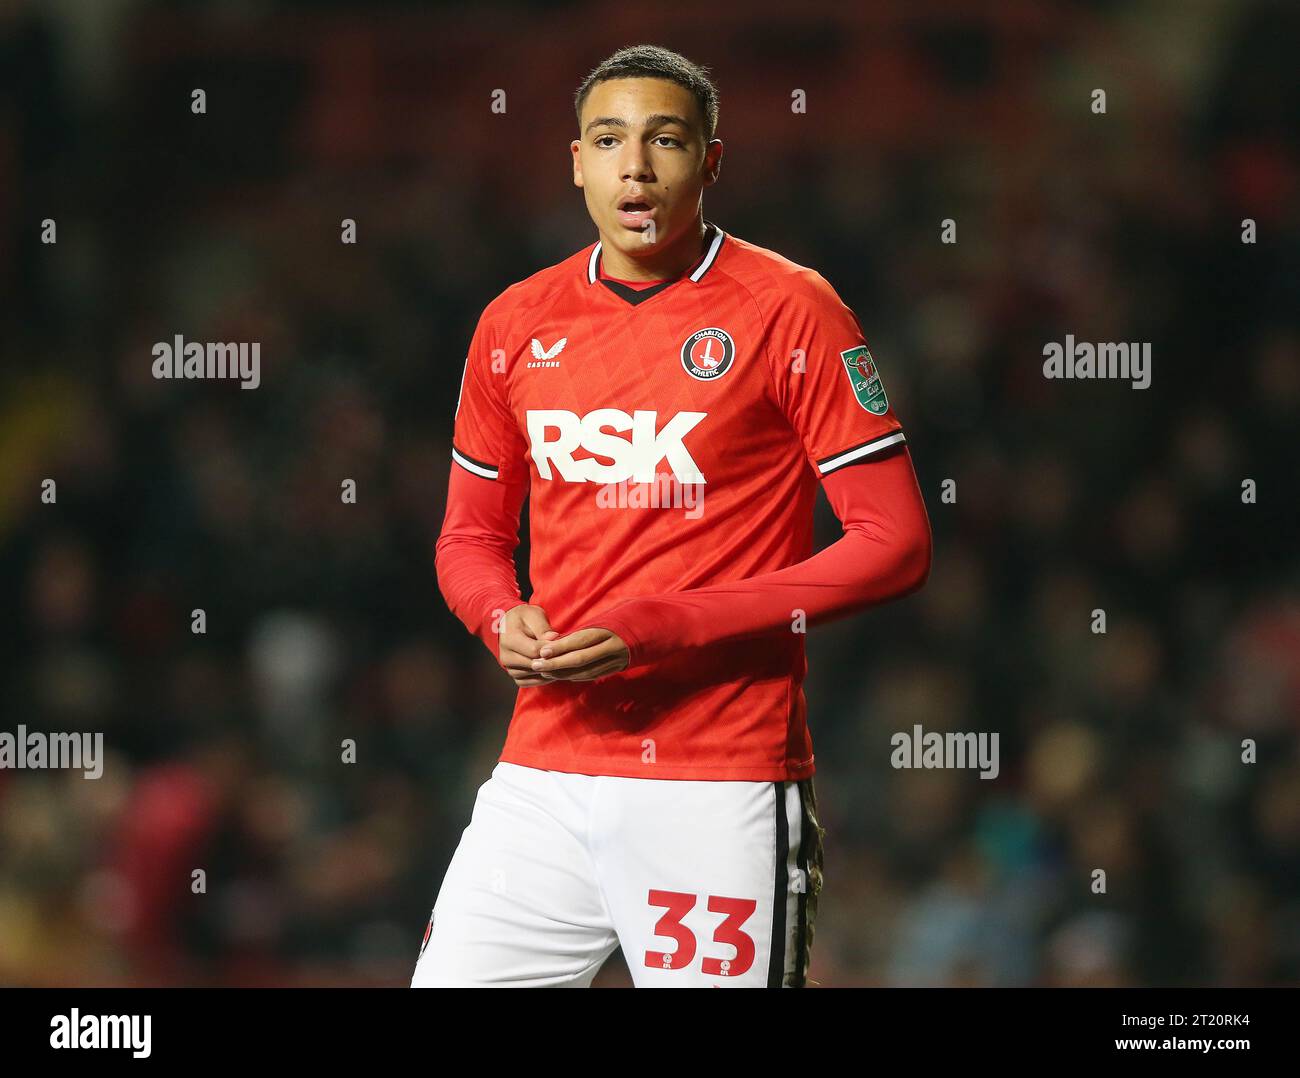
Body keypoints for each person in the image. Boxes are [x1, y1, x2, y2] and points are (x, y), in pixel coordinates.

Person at [412, 44, 931, 988]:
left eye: (666, 141)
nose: (635, 168)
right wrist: (499, 615)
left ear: (713, 160)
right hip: (545, 771)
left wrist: (665, 621)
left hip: (718, 778)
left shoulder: (791, 310)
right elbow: (470, 538)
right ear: (576, 161)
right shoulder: (514, 323)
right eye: (608, 141)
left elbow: (893, 544)